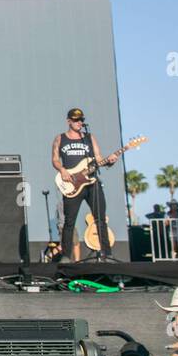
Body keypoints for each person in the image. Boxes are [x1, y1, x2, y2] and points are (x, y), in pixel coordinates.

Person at [51, 107, 115, 261]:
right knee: (69, 221)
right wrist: (62, 170)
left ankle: (107, 254)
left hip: (91, 182)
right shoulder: (60, 138)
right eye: (75, 120)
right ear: (69, 121)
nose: (79, 122)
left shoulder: (89, 138)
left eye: (81, 120)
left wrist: (109, 161)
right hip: (72, 184)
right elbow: (54, 159)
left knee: (99, 218)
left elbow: (99, 159)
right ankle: (66, 256)